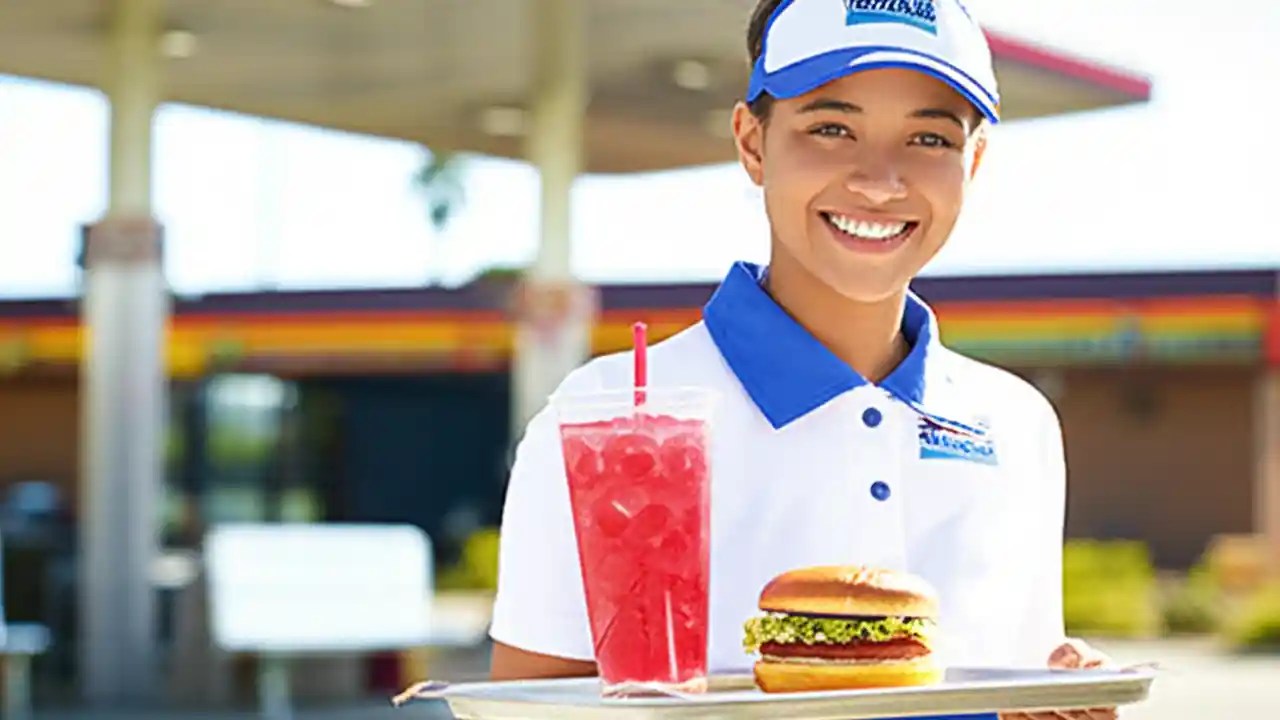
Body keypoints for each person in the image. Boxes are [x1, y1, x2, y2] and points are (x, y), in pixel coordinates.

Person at [488, 1, 1118, 718]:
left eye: (929, 139)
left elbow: (1020, 689)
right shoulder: (611, 419)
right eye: (831, 128)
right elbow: (521, 709)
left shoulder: (1016, 423)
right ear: (752, 143)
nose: (880, 180)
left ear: (973, 162)